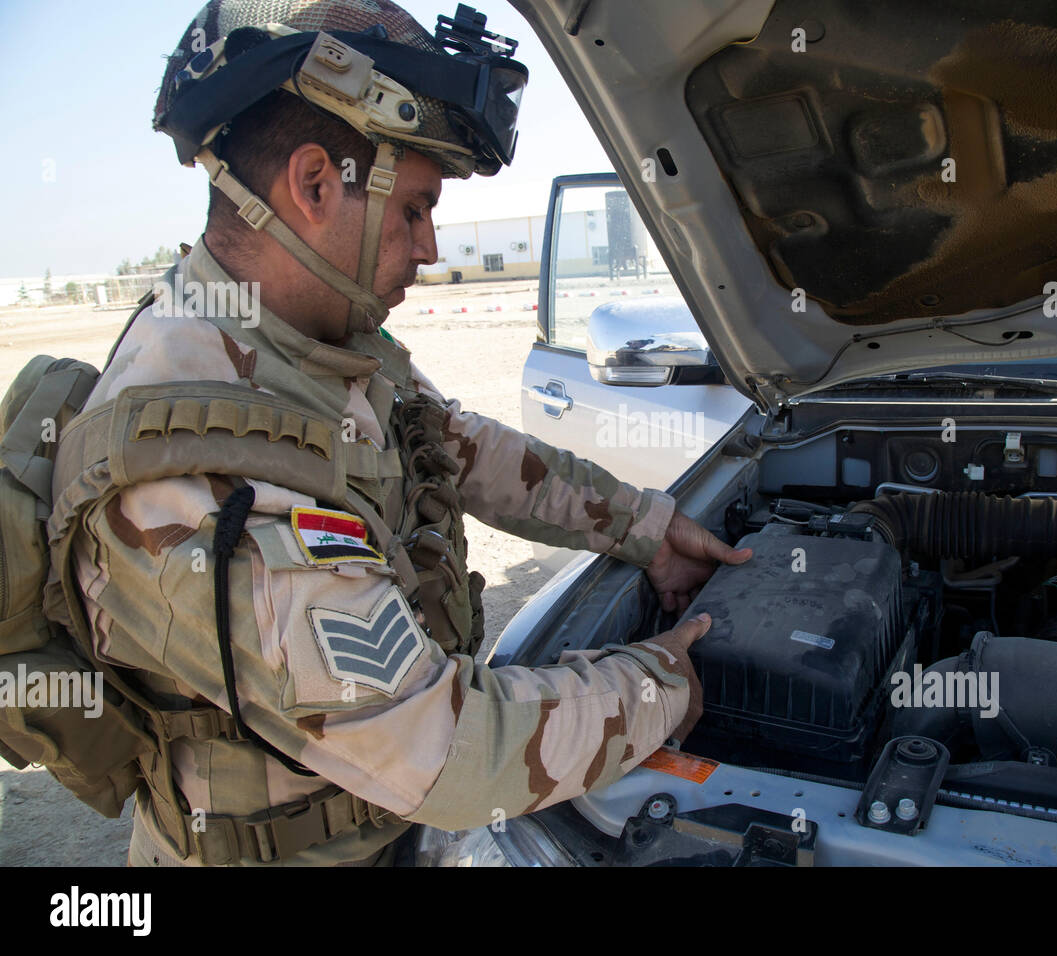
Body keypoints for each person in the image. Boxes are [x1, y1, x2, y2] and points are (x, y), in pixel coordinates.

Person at [55, 0, 750, 866]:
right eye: (415, 209)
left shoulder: (309, 338)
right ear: (314, 186)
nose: (428, 248)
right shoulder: (195, 470)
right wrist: (665, 684)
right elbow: (449, 748)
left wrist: (647, 527)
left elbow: (454, 445)